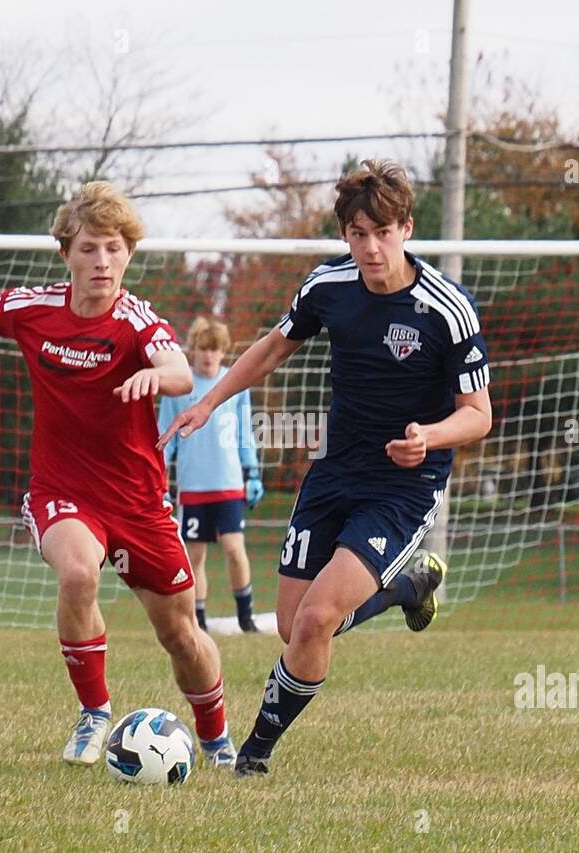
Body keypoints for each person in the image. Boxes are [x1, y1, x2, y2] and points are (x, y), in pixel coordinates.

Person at [160, 159, 493, 777]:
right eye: (358, 233)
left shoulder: (447, 309)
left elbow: (478, 414)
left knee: (316, 619)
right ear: (345, 234)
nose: (371, 246)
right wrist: (207, 402)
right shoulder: (327, 288)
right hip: (333, 472)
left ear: (407, 229)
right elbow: (271, 348)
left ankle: (252, 756)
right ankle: (405, 586)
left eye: (383, 232)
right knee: (295, 627)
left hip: (404, 485)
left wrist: (430, 436)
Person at [0, 181, 237, 769]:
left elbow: (181, 371)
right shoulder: (34, 309)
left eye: (112, 248)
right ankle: (94, 712)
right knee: (78, 572)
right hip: (63, 491)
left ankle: (217, 740)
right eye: (87, 248)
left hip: (138, 501)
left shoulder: (138, 321)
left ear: (128, 254)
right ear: (66, 254)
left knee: (179, 633)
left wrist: (154, 377)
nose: (101, 261)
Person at [157, 318, 263, 634]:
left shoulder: (233, 383)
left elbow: (245, 432)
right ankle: (198, 620)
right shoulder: (180, 385)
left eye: (214, 350)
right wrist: (159, 481)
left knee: (234, 548)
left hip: (228, 483)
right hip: (193, 486)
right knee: (195, 554)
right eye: (203, 349)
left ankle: (246, 616)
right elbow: (166, 436)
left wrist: (252, 473)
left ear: (223, 352)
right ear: (193, 350)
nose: (208, 356)